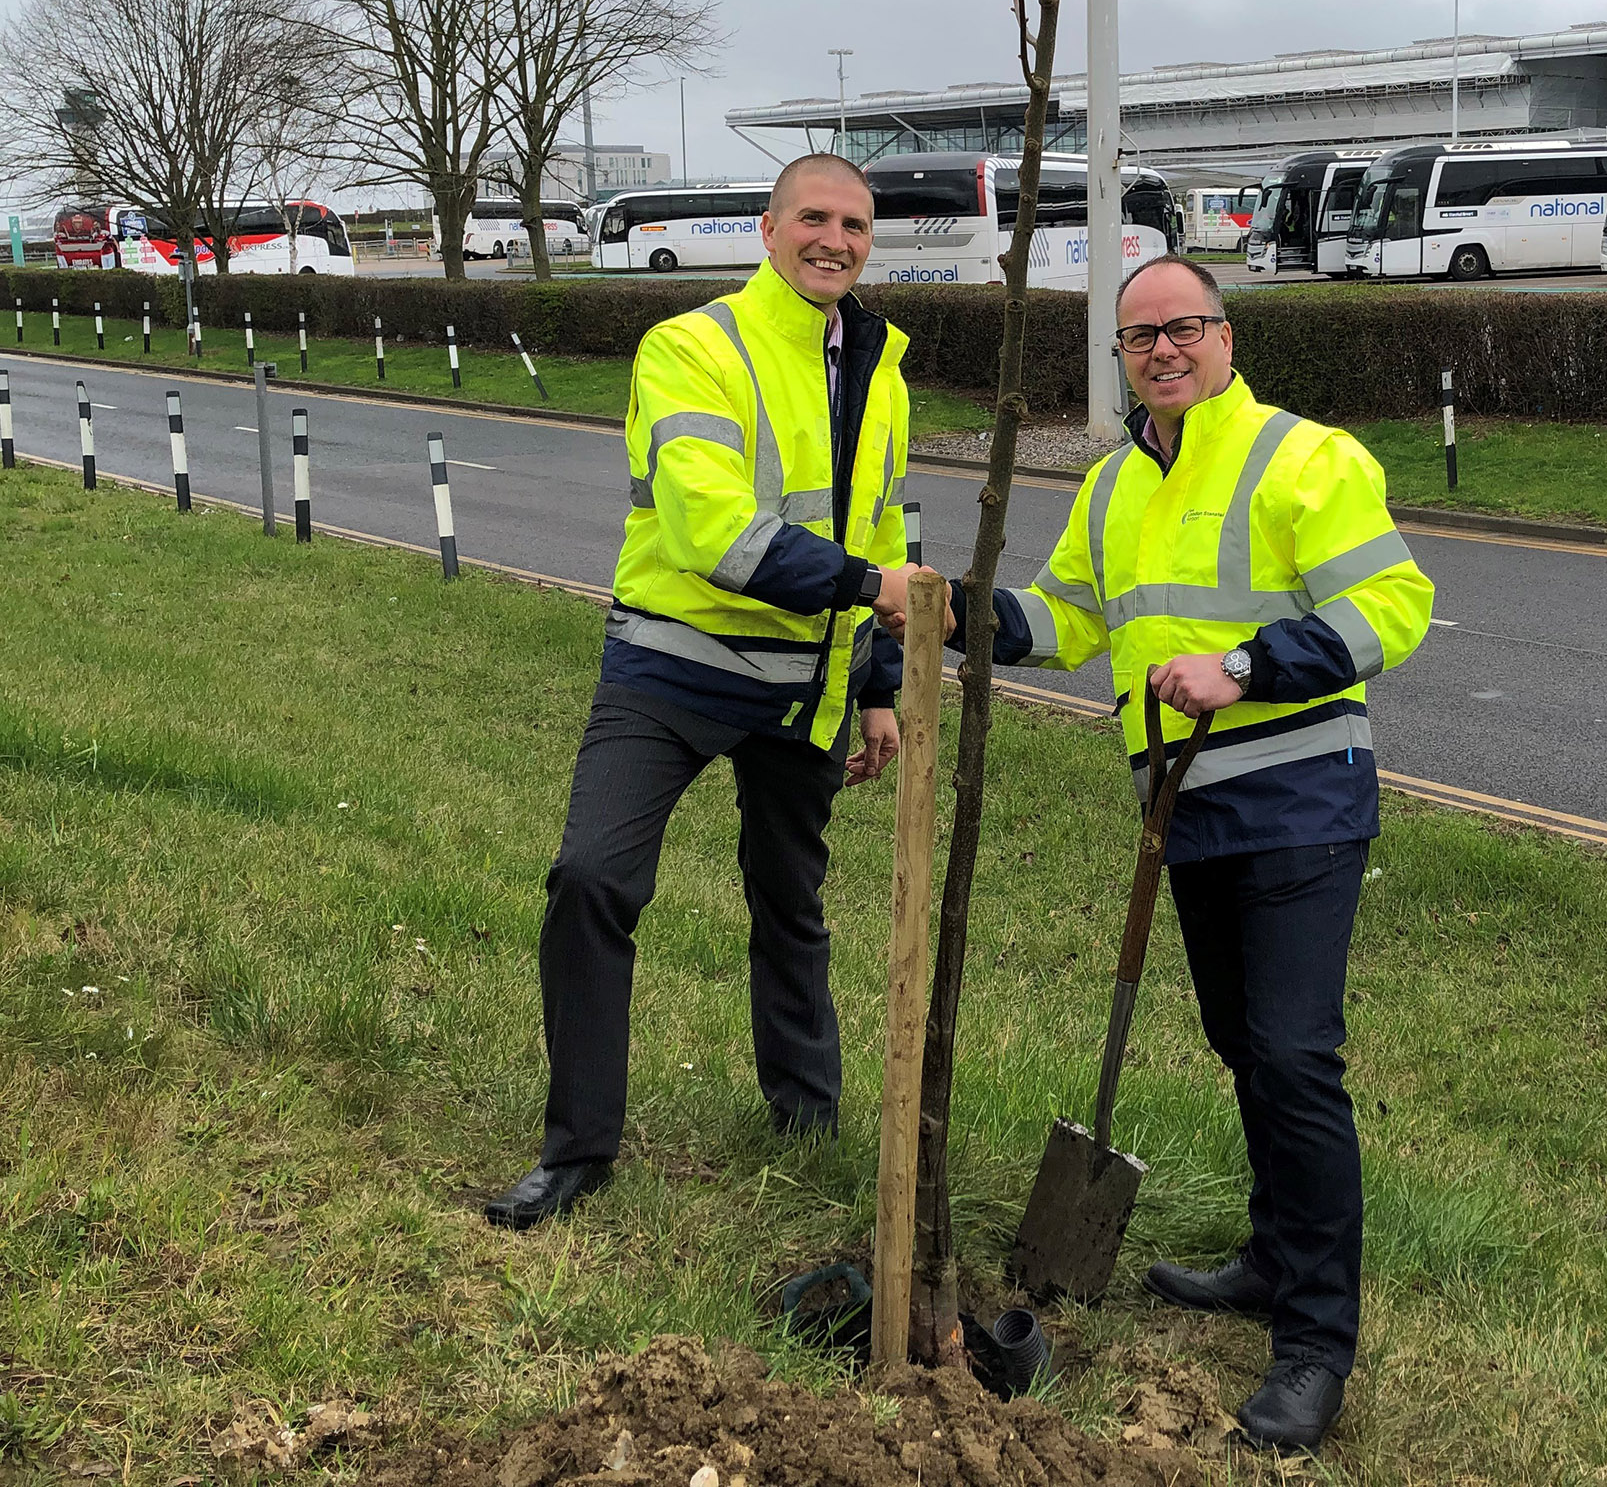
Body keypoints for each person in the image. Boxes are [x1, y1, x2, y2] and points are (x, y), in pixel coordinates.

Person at [954, 255, 1432, 1454]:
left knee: (1293, 1056)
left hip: (1301, 797)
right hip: (1188, 809)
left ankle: (1315, 1343)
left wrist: (1244, 667)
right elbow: (1068, 616)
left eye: (1183, 328)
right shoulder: (1112, 484)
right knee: (1242, 1044)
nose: (1162, 350)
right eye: (1139, 337)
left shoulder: (1301, 457)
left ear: (1223, 336)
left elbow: (1392, 606)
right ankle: (1273, 1257)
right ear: (1120, 357)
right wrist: (958, 612)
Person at [486, 152, 931, 1231]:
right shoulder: (692, 346)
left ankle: (806, 1126)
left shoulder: (882, 367)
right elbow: (711, 529)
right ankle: (577, 1150)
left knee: (791, 903)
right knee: (591, 879)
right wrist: (866, 587)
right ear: (768, 231)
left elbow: (880, 527)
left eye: (855, 225)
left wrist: (877, 686)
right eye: (814, 218)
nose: (835, 240)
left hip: (806, 687)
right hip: (672, 669)